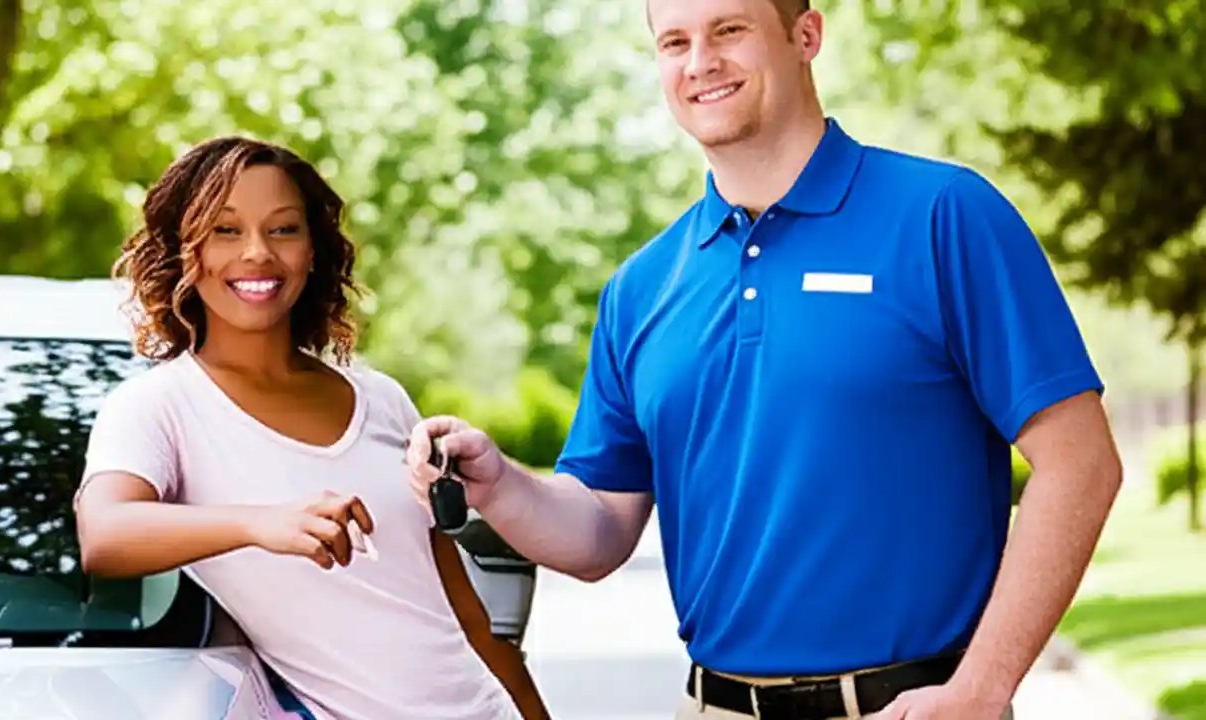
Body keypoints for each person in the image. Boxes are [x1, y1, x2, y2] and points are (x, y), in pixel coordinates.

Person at [405, 0, 1123, 718]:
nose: (700, 63)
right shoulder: (642, 287)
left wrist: (983, 686)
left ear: (804, 35)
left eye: (730, 30)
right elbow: (599, 530)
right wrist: (498, 482)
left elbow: (1080, 462)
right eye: (674, 42)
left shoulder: (943, 215)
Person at [74, 136, 547, 720]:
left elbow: (458, 605)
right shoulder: (158, 407)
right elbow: (105, 533)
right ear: (182, 250)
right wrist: (261, 523)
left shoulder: (380, 398)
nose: (257, 253)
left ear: (313, 249)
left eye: (283, 229)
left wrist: (532, 712)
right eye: (225, 230)